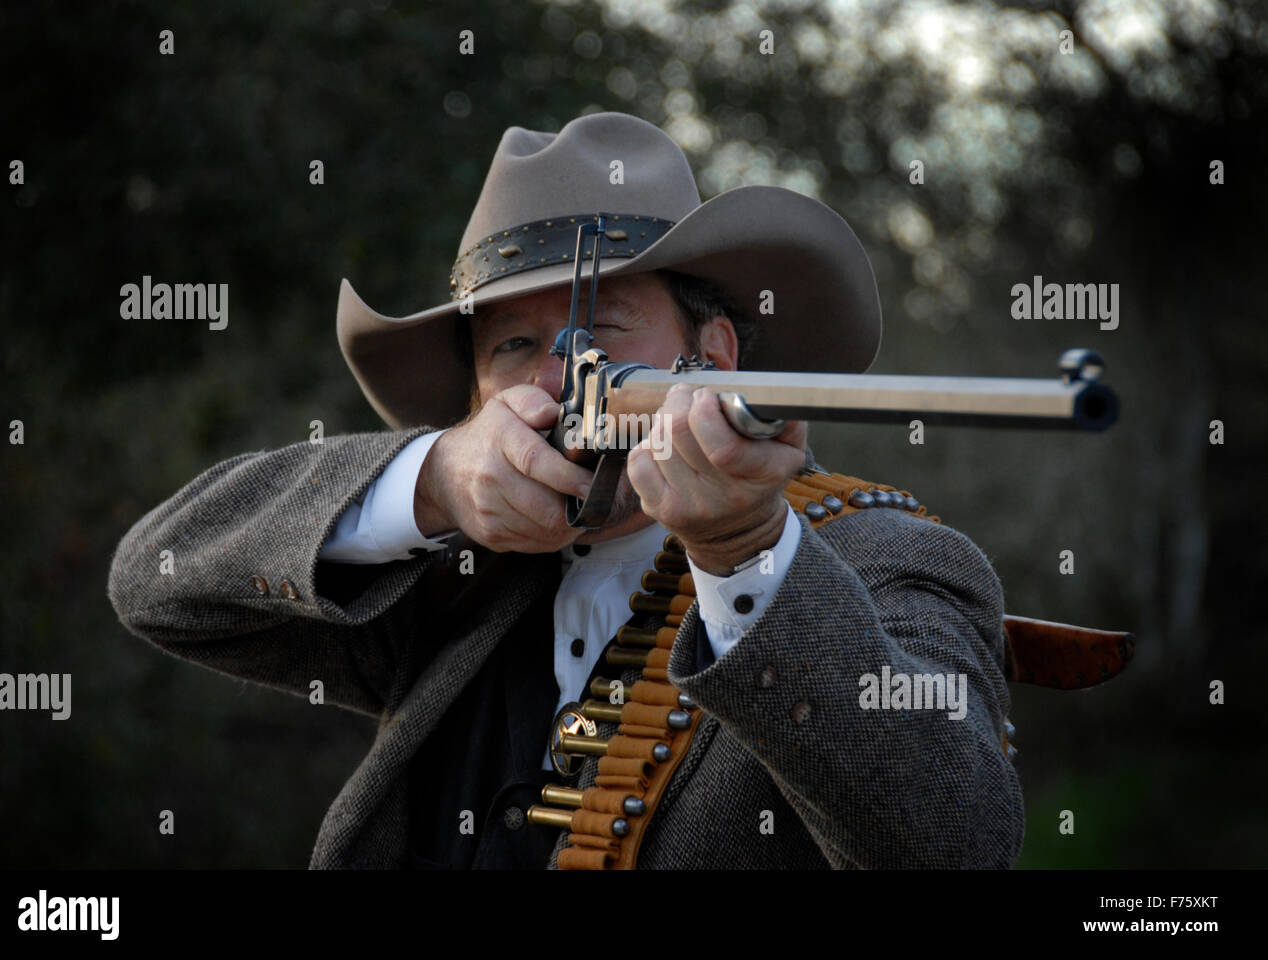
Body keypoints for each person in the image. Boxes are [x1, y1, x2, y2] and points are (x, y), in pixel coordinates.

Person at [108, 112, 1024, 869]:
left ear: (711, 359)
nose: (559, 376)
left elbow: (955, 846)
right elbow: (156, 578)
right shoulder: (454, 582)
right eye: (513, 347)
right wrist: (430, 483)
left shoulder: (890, 558)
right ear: (474, 399)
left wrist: (744, 556)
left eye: (603, 327)